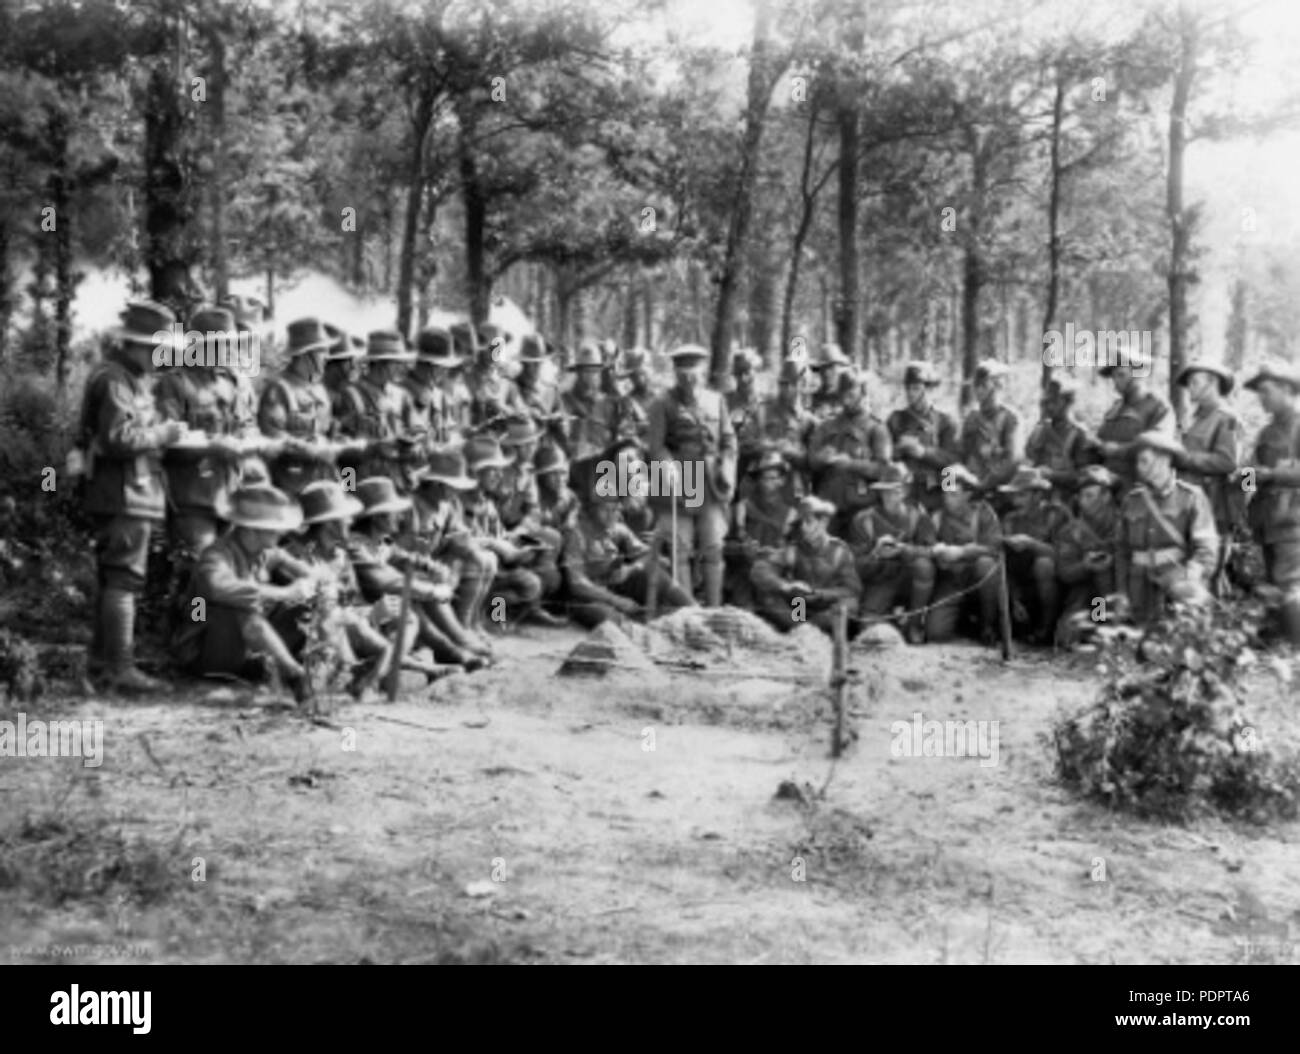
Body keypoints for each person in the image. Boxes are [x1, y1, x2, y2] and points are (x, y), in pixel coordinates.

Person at [81, 300, 188, 692]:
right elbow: (117, 439)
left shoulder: (130, 381)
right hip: (122, 494)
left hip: (131, 492)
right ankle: (120, 670)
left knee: (115, 579)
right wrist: (164, 435)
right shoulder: (114, 381)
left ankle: (101, 667)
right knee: (124, 579)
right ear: (145, 344)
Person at [174, 484, 319, 703]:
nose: (281, 532)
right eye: (273, 528)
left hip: (239, 650)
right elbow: (216, 588)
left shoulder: (262, 552)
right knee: (242, 608)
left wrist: (311, 578)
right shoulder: (215, 554)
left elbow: (290, 562)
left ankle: (299, 666)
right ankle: (294, 674)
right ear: (251, 529)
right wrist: (285, 593)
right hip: (200, 648)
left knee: (303, 608)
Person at [348, 475, 490, 670]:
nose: (399, 517)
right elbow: (384, 581)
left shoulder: (380, 541)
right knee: (411, 598)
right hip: (363, 613)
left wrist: (429, 566)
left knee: (415, 591)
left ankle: (456, 645)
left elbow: (400, 555)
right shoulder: (356, 546)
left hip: (382, 608)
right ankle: (453, 649)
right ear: (377, 517)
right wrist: (431, 590)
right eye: (393, 512)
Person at [645, 344, 738, 606]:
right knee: (680, 548)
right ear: (675, 373)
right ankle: (689, 612)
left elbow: (729, 441)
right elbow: (655, 446)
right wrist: (668, 466)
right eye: (683, 374)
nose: (689, 380)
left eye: (694, 373)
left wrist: (728, 469)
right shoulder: (661, 404)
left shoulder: (716, 401)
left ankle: (714, 609)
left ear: (703, 371)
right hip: (678, 483)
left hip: (709, 482)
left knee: (713, 547)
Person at [558, 472, 693, 628]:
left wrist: (632, 568)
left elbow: (647, 555)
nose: (611, 515)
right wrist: (615, 600)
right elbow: (577, 584)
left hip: (615, 587)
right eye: (605, 510)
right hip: (588, 597)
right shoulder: (576, 534)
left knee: (653, 571)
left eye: (615, 509)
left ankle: (694, 610)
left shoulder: (617, 530)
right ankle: (638, 627)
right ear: (592, 510)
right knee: (608, 618)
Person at [1114, 431, 1218, 624]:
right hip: (1138, 584)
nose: (1139, 467)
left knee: (1187, 625)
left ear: (1164, 460)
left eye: (1144, 461)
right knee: (1129, 636)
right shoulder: (1131, 500)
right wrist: (1121, 591)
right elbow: (1121, 551)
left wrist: (1190, 578)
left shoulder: (1191, 497)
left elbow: (1206, 548)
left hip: (1175, 577)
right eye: (1138, 461)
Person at [847, 463, 936, 644]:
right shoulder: (863, 519)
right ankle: (895, 622)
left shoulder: (918, 516)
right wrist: (876, 553)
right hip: (881, 578)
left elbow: (931, 551)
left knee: (924, 567)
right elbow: (854, 565)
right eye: (885, 491)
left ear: (906, 491)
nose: (889, 496)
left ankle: (915, 623)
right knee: (868, 628)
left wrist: (903, 549)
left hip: (909, 579)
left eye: (896, 490)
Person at [1242, 364, 1300, 642]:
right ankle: (1278, 636)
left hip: (1292, 518)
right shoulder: (1266, 433)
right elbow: (1252, 472)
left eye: (1266, 391)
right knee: (1272, 580)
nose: (1261, 398)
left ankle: (1295, 645)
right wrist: (1243, 481)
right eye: (1259, 393)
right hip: (1265, 518)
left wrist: (1273, 474)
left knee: (1289, 580)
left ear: (1288, 390)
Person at [1175, 358, 1243, 592]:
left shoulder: (1226, 418)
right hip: (1190, 504)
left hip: (1214, 505)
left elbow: (1228, 462)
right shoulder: (1193, 418)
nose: (1190, 388)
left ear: (1212, 383)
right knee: (1194, 568)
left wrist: (1185, 458)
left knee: (1209, 569)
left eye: (1195, 382)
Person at [751, 495, 861, 635]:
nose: (803, 528)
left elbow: (852, 589)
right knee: (767, 595)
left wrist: (820, 594)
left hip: (826, 610)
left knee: (850, 605)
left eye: (808, 522)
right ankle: (801, 631)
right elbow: (760, 569)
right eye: (801, 523)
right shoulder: (793, 550)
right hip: (799, 607)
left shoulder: (839, 551)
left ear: (823, 522)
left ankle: (810, 632)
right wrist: (785, 585)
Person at [257, 317, 340, 497]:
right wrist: (310, 450)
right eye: (322, 352)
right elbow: (273, 440)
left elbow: (325, 434)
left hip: (323, 479)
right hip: (292, 482)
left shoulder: (320, 390)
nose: (327, 357)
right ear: (306, 354)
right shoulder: (279, 389)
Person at [808, 370, 893, 538]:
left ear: (863, 393)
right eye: (843, 394)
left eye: (852, 394)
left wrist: (851, 464)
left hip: (861, 506)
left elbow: (883, 469)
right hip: (828, 506)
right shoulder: (826, 426)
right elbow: (811, 461)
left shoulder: (876, 428)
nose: (846, 400)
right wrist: (822, 457)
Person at [925, 464, 1003, 645]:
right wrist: (938, 554)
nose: (947, 500)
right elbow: (927, 546)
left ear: (967, 495)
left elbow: (994, 547)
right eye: (945, 494)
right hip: (952, 581)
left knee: (986, 564)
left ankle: (988, 625)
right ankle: (965, 622)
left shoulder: (983, 513)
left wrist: (962, 552)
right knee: (936, 632)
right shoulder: (936, 518)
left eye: (953, 494)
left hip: (979, 580)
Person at [334, 330, 420, 485]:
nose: (401, 367)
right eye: (396, 362)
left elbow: (416, 434)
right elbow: (343, 454)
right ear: (381, 363)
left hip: (397, 482)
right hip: (364, 483)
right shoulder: (350, 396)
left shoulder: (403, 396)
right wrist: (349, 489)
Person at [998, 465, 1071, 645]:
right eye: (1014, 495)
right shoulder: (1010, 521)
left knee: (1044, 564)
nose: (1016, 501)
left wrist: (1032, 544)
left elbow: (1064, 556)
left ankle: (1047, 628)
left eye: (1022, 495)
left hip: (1056, 586)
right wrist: (1014, 599)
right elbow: (1003, 564)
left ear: (1038, 496)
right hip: (1022, 589)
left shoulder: (1057, 515)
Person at [727, 450, 797, 608]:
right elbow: (721, 547)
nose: (768, 483)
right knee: (743, 615)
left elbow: (798, 554)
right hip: (744, 576)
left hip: (778, 578)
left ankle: (801, 625)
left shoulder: (792, 515)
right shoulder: (740, 509)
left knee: (795, 608)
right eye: (763, 478)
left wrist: (780, 555)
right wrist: (740, 549)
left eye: (773, 478)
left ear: (782, 480)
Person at [888, 361, 960, 513]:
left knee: (952, 475)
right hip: (904, 493)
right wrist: (899, 450)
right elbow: (883, 456)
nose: (910, 393)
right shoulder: (895, 419)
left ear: (929, 390)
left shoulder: (945, 421)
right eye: (908, 388)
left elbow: (952, 459)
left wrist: (923, 452)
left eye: (915, 388)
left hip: (936, 494)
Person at [1054, 465, 1121, 622]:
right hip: (1087, 593)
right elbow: (1064, 572)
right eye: (1081, 496)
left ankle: (1109, 624)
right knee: (1071, 633)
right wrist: (1085, 566)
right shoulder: (1071, 531)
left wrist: (1115, 561)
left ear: (1106, 497)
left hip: (1123, 591)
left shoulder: (1126, 525)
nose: (1083, 502)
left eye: (1089, 496)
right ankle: (1102, 621)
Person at [1095, 359, 1170, 491]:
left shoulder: (1157, 406)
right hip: (1110, 486)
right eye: (1113, 377)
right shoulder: (1115, 408)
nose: (1116, 382)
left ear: (1138, 375)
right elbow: (1101, 441)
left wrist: (1119, 450)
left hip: (1141, 487)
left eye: (1121, 375)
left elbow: (1159, 445)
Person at [757, 358, 816, 498]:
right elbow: (745, 443)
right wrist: (767, 446)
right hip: (763, 483)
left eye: (791, 384)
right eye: (783, 384)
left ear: (800, 386)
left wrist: (792, 452)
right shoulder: (764, 411)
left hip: (794, 487)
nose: (786, 389)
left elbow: (814, 461)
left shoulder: (809, 420)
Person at [960, 359, 1022, 492]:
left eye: (983, 385)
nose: (978, 390)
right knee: (948, 478)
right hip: (973, 483)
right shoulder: (971, 418)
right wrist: (950, 488)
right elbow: (961, 455)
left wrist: (985, 484)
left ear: (997, 386)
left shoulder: (1010, 418)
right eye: (976, 385)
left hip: (1001, 489)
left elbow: (1012, 461)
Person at [1025, 374, 1094, 490]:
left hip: (1065, 498)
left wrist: (1053, 475)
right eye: (1046, 402)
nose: (1049, 406)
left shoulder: (1079, 434)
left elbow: (1083, 476)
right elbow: (1029, 460)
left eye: (1054, 401)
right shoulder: (1040, 430)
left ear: (1067, 403)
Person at [558, 342, 618, 463]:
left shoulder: (608, 404)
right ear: (578, 372)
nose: (592, 375)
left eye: (595, 371)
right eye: (587, 371)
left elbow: (615, 443)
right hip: (572, 469)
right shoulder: (563, 402)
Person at [808, 342, 851, 421]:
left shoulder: (849, 397)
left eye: (831, 367)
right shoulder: (814, 399)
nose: (826, 373)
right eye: (823, 368)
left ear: (839, 368)